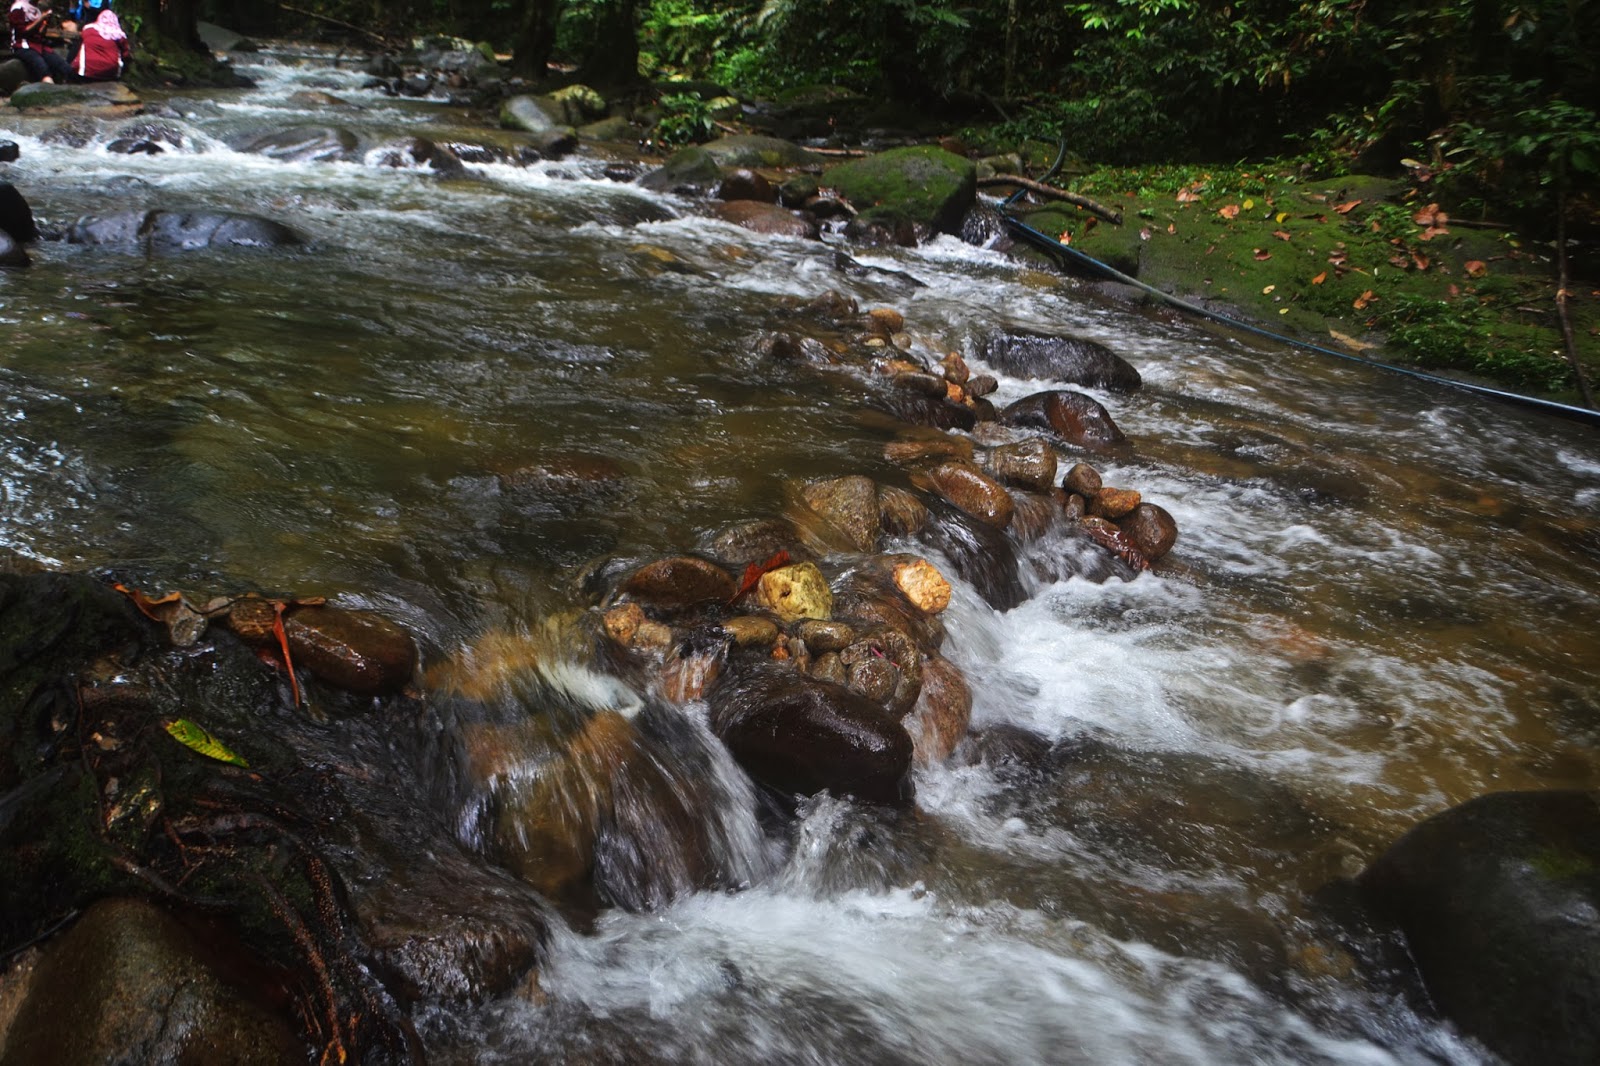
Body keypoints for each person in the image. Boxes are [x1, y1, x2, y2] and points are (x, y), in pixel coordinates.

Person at [7, 1, 71, 84]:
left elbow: (40, 33)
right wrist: (41, 18)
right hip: (22, 45)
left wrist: (45, 22)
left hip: (39, 45)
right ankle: (48, 87)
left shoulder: (37, 9)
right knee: (41, 66)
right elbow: (23, 31)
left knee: (62, 65)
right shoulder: (18, 8)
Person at [70, 7, 126, 81]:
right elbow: (125, 53)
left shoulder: (88, 29)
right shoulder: (119, 35)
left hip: (87, 69)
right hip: (110, 71)